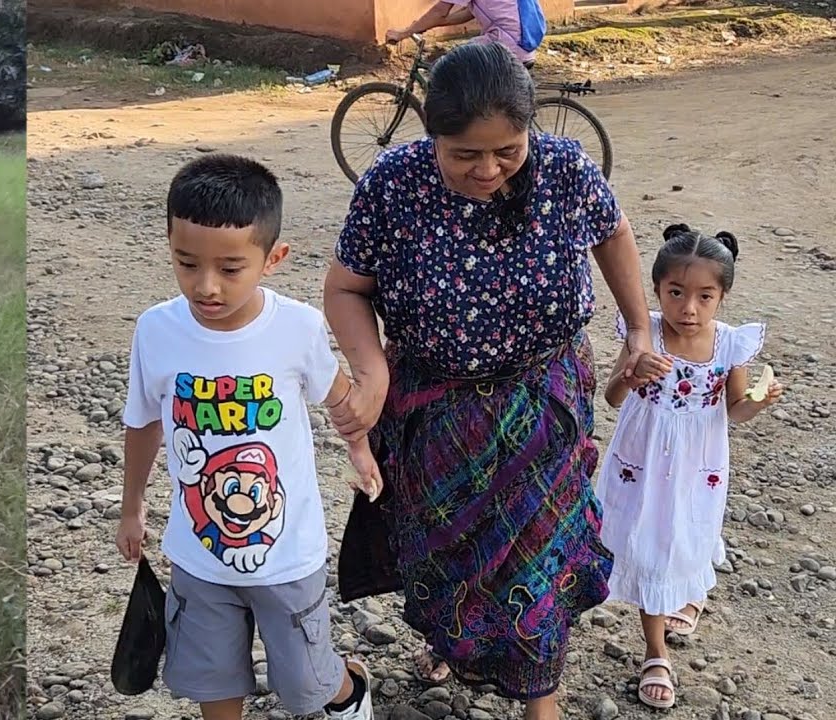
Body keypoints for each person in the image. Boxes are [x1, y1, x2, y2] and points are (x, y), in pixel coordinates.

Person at [323, 43, 668, 720]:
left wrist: (638, 327)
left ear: (529, 131)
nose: (488, 170)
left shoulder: (565, 170)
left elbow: (614, 232)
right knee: (449, 552)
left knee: (538, 553)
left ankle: (541, 698)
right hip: (437, 411)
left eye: (507, 151)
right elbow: (345, 288)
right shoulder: (394, 183)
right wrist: (369, 369)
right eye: (465, 155)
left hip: (542, 401)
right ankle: (461, 642)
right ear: (433, 139)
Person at [115, 155, 382, 720]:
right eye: (187, 263)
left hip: (288, 555)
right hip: (198, 555)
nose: (205, 286)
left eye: (230, 268)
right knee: (213, 681)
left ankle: (348, 687)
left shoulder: (298, 327)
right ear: (168, 244)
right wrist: (131, 506)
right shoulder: (156, 331)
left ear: (273, 259)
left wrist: (360, 451)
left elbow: (338, 395)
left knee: (306, 683)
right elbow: (144, 422)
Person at [597, 224, 783, 709]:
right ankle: (655, 646)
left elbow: (734, 408)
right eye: (676, 293)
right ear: (657, 290)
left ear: (723, 296)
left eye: (705, 295)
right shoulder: (648, 331)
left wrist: (759, 403)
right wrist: (632, 374)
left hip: (697, 463)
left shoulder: (728, 345)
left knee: (684, 535)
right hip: (641, 456)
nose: (689, 308)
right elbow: (612, 397)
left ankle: (676, 609)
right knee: (642, 537)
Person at [385, 0, 546, 69]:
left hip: (506, 45)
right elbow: (468, 13)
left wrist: (404, 33)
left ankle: (464, 128)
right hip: (522, 47)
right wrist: (424, 25)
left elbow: (439, 11)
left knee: (449, 66)